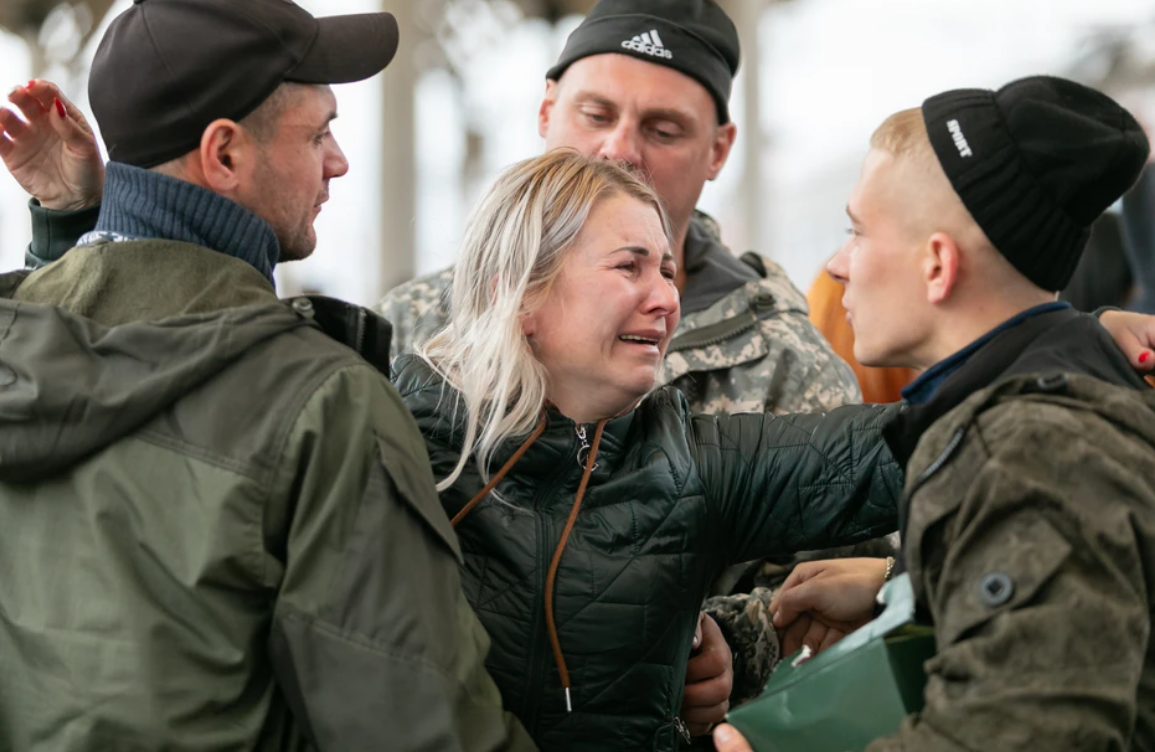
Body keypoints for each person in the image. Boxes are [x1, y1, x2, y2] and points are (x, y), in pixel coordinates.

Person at [0, 0, 534, 749]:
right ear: (223, 156)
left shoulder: (21, 353)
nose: (339, 160)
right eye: (318, 133)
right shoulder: (319, 402)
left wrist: (78, 236)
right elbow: (416, 729)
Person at [378, 0, 869, 706]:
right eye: (594, 114)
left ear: (718, 150)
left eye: (662, 128)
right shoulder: (418, 324)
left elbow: (846, 591)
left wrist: (730, 645)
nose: (619, 150)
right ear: (546, 111)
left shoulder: (783, 362)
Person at [393, 148, 907, 751]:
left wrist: (893, 579)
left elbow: (915, 446)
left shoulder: (684, 464)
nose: (666, 298)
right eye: (629, 267)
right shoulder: (395, 446)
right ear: (521, 292)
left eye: (666, 270)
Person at [716, 76, 1155, 751]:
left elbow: (1024, 733)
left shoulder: (1028, 449)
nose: (836, 265)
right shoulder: (1044, 410)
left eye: (856, 231)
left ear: (936, 265)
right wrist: (909, 588)